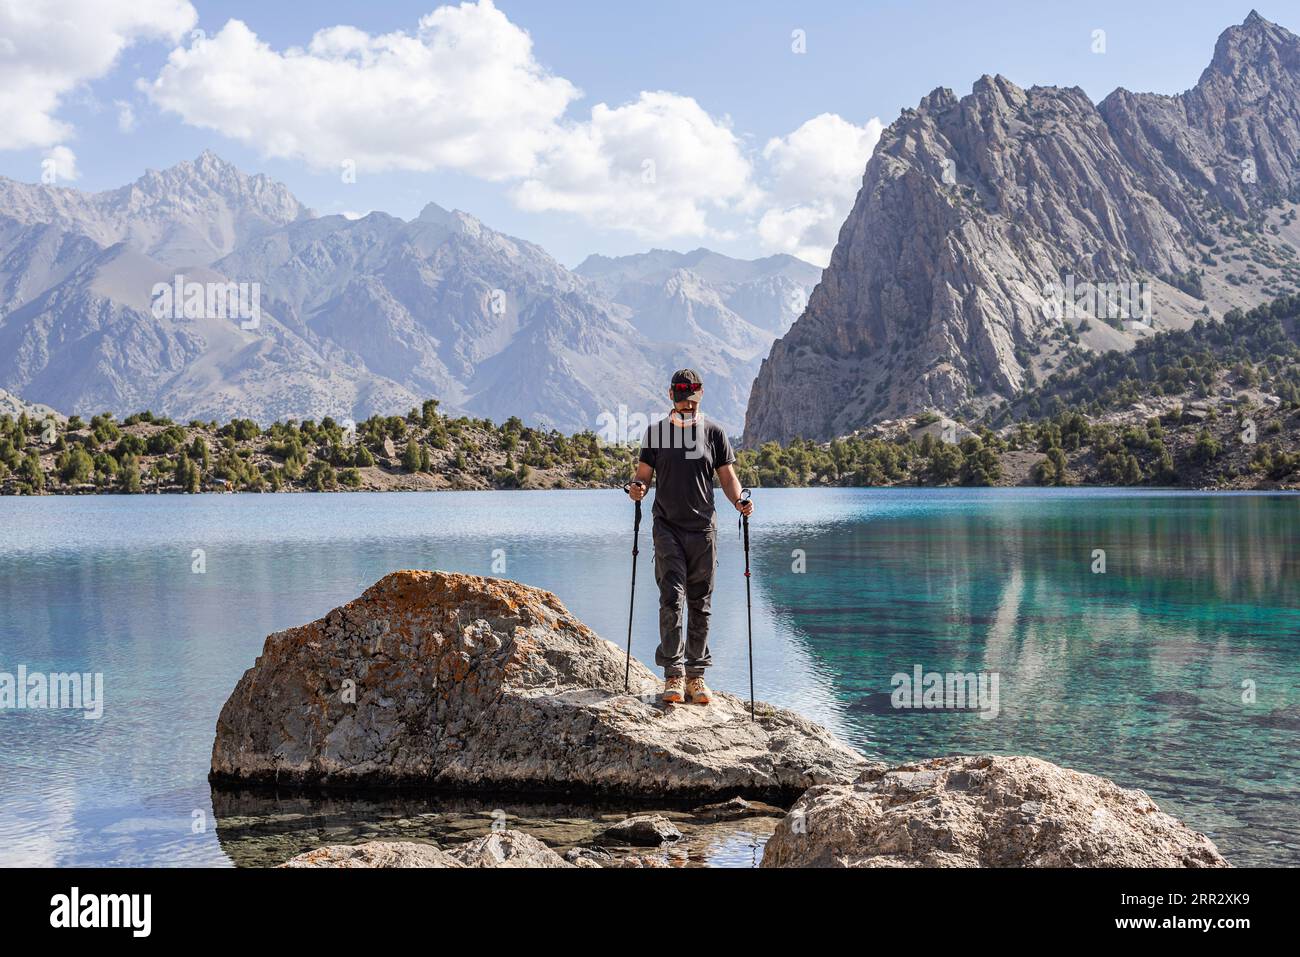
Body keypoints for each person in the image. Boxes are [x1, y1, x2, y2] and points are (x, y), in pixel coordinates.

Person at [627, 369, 753, 705]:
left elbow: (728, 478)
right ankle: (673, 675)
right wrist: (637, 490)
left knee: (701, 603)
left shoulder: (713, 433)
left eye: (692, 400)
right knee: (671, 599)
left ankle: (696, 677)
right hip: (667, 528)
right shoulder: (656, 434)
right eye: (682, 399)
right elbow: (643, 477)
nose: (688, 405)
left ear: (700, 396)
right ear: (671, 396)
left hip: (703, 530)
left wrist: (740, 501)